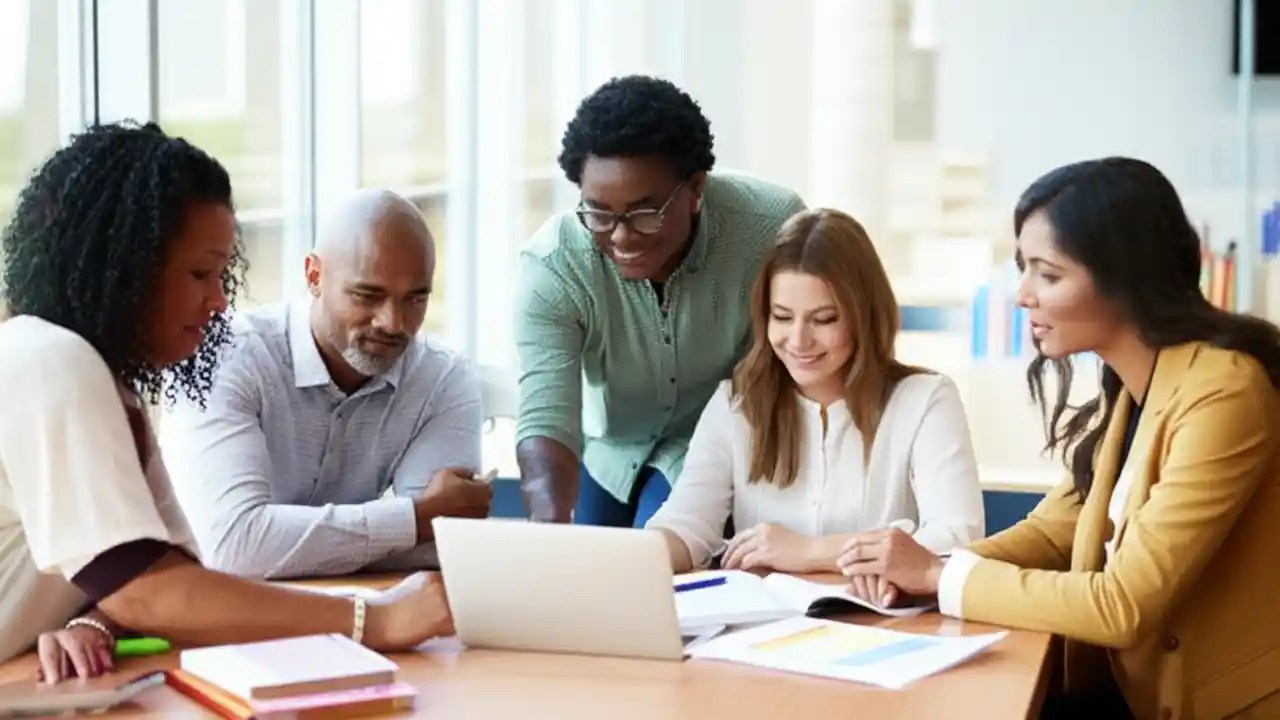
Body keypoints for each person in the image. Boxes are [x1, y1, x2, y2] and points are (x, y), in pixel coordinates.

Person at [0, 122, 453, 681]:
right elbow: (151, 592)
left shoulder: (102, 382)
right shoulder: (51, 363)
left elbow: (174, 572)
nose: (218, 302)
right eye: (199, 274)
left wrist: (96, 618)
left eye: (222, 275)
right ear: (124, 268)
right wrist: (374, 620)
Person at [838, 158, 1280, 719]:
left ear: (1125, 277)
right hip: (1132, 692)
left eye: (1047, 274)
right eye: (1024, 269)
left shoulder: (1224, 391)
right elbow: (1055, 531)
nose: (1023, 294)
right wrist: (929, 567)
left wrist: (938, 575)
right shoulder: (1133, 384)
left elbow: (1122, 604)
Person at [516, 75, 806, 528]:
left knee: (654, 557)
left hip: (722, 442)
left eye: (645, 212)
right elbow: (545, 418)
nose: (622, 235)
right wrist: (548, 530)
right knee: (586, 564)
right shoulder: (554, 265)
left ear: (695, 189)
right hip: (611, 454)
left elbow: (792, 368)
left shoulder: (772, 228)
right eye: (599, 212)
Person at [161, 188, 491, 580]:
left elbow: (437, 543)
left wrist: (283, 541)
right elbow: (232, 547)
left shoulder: (445, 380)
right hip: (217, 623)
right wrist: (412, 518)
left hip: (371, 620)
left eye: (415, 300)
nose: (393, 323)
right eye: (368, 295)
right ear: (314, 276)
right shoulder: (223, 357)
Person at [646, 209, 984, 574]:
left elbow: (957, 540)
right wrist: (633, 557)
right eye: (782, 317)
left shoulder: (926, 401)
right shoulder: (735, 404)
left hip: (882, 624)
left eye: (824, 319)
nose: (798, 341)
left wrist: (812, 552)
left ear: (864, 316)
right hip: (767, 625)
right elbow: (687, 523)